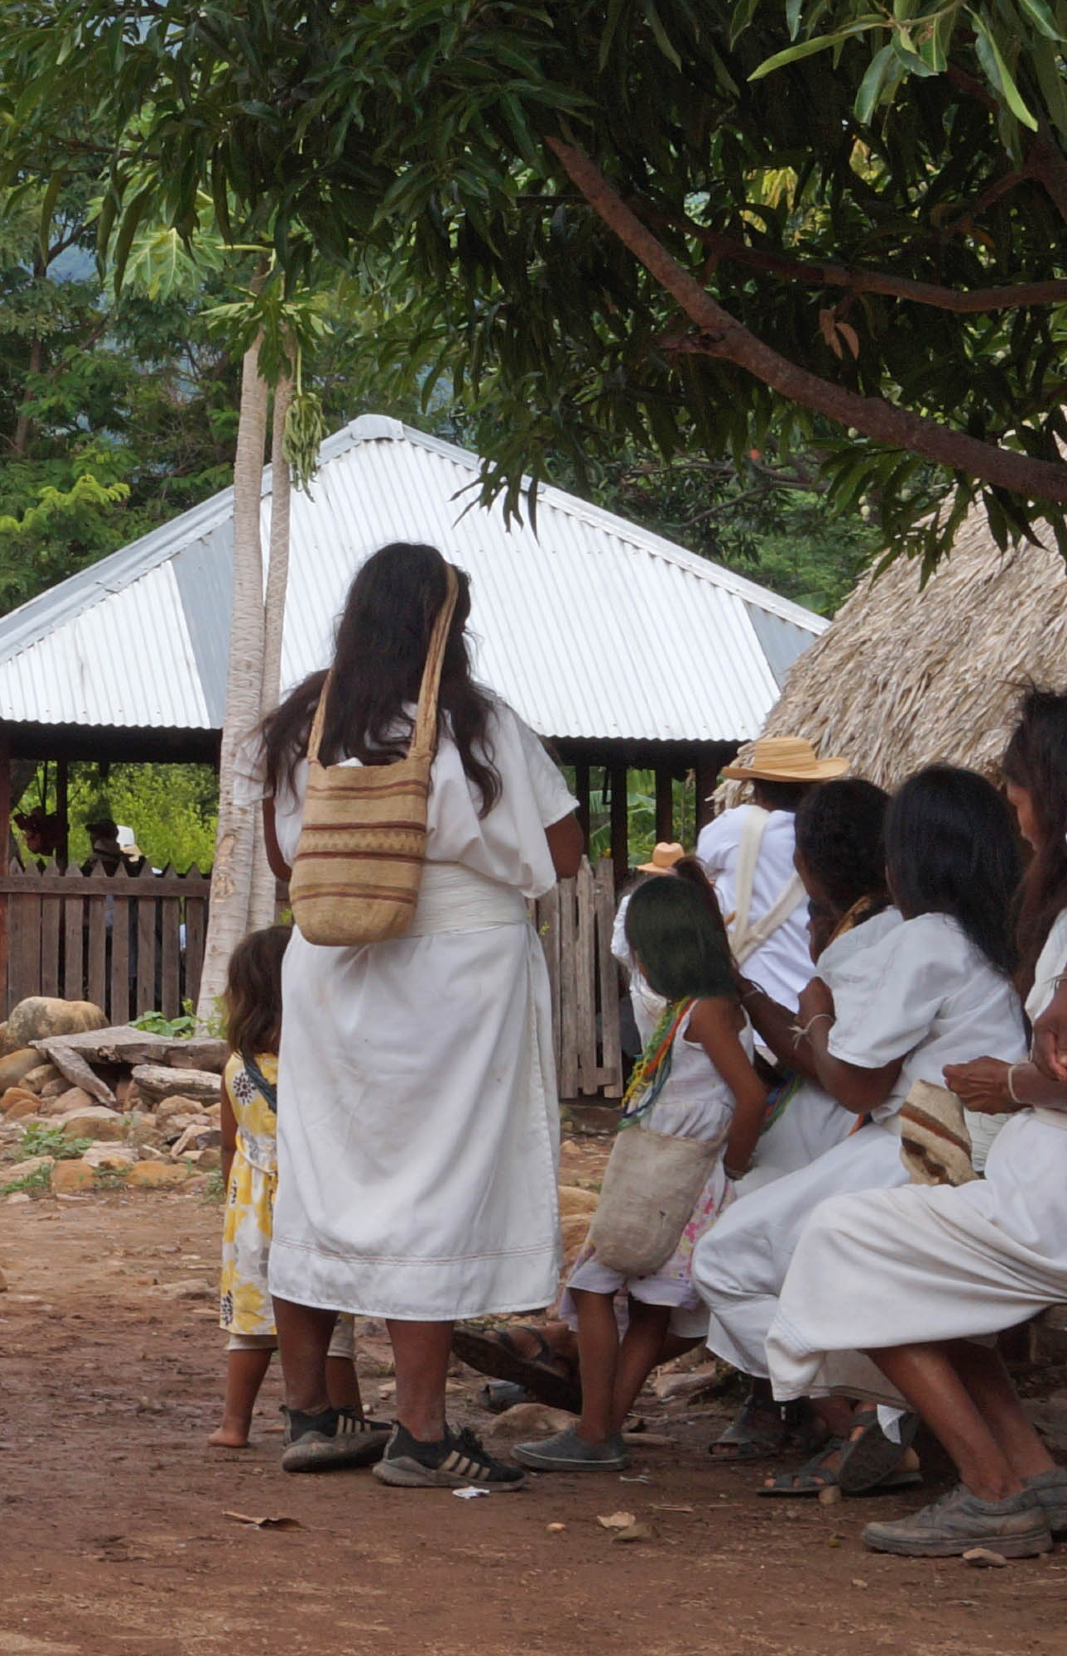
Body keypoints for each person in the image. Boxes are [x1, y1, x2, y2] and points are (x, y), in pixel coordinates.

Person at [256, 542, 586, 1490]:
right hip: (456, 975)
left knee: (328, 1177)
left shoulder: (303, 724)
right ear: (447, 621)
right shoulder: (474, 725)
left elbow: (291, 867)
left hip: (334, 960)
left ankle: (315, 1413)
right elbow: (560, 853)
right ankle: (423, 1433)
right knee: (433, 1187)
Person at [768, 690, 1067, 1557]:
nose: (1010, 808)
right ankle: (1033, 1473)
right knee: (913, 1268)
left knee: (844, 1241)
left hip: (1047, 1199)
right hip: (1031, 1181)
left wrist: (1014, 1082)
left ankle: (991, 1489)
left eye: (1016, 789)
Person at [700, 767, 1029, 1497]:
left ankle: (900, 1430)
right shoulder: (989, 935)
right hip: (974, 1153)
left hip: (923, 1151)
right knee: (910, 1309)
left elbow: (854, 1081)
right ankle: (1015, 1465)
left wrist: (814, 1006)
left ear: (903, 862)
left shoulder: (928, 939)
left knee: (730, 1261)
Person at [518, 873, 773, 1472]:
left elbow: (751, 1098)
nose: (633, 958)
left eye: (639, 946)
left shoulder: (705, 1012)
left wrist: (731, 1164)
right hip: (679, 1178)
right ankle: (601, 1429)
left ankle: (594, 1427)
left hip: (679, 1180)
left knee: (593, 1285)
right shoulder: (696, 1008)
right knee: (649, 1306)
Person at [206, 925, 369, 1454]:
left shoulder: (236, 1068)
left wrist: (232, 1202)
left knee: (251, 1325)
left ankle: (234, 1425)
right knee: (331, 1324)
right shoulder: (321, 1064)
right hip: (313, 1204)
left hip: (252, 1211)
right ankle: (348, 1421)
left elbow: (231, 1146)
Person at [708, 737, 846, 1007]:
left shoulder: (736, 825)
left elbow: (703, 864)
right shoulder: (833, 835)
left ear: (757, 791)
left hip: (753, 1007)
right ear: (812, 789)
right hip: (816, 1007)